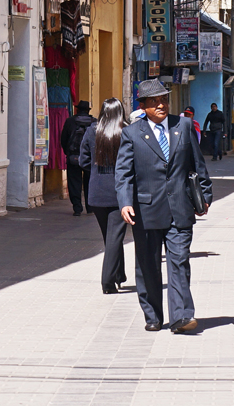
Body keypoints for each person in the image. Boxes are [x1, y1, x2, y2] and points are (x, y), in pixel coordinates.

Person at [116, 79, 213, 334]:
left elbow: (197, 164)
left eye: (164, 100)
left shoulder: (182, 126)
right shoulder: (131, 133)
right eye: (155, 101)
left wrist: (205, 195)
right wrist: (125, 202)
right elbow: (124, 173)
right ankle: (153, 315)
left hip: (179, 207)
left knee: (179, 261)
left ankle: (182, 316)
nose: (161, 105)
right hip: (145, 211)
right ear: (143, 106)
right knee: (147, 265)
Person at [78, 98, 130, 294]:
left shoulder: (92, 131)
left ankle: (119, 274)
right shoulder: (126, 132)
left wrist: (96, 170)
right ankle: (108, 282)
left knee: (111, 237)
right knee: (115, 237)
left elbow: (83, 161)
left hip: (97, 192)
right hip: (119, 192)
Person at [61, 101, 96, 216]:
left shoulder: (70, 121)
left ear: (77, 110)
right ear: (88, 110)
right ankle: (90, 207)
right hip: (90, 158)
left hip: (73, 157)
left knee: (74, 182)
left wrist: (69, 153)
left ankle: (77, 208)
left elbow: (63, 139)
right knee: (90, 182)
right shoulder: (94, 122)